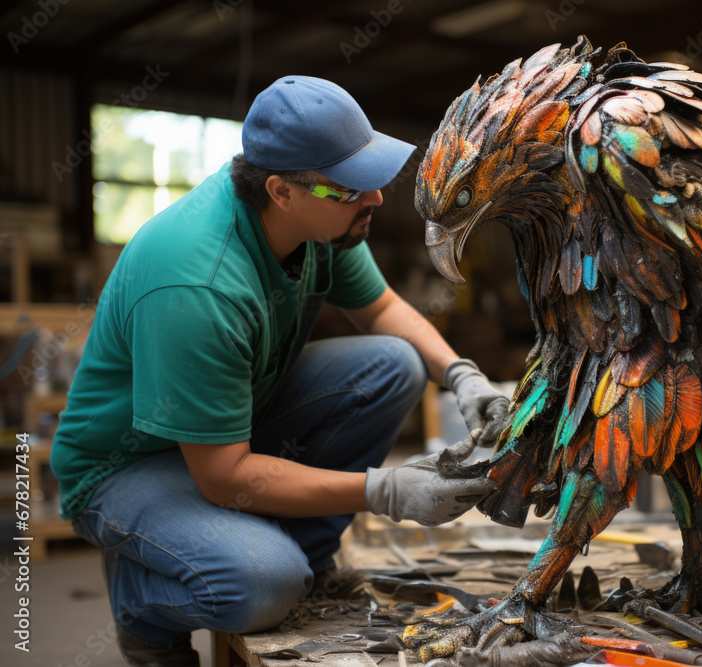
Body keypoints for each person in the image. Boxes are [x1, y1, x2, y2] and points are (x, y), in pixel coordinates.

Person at [50, 75, 508, 667]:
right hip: (128, 464)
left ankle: (306, 565)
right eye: (352, 189)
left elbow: (384, 309)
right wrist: (386, 490)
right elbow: (224, 476)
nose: (375, 200)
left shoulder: (318, 218)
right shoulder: (198, 282)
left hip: (225, 429)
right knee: (263, 582)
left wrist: (462, 374)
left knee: (393, 364)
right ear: (282, 191)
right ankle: (142, 599)